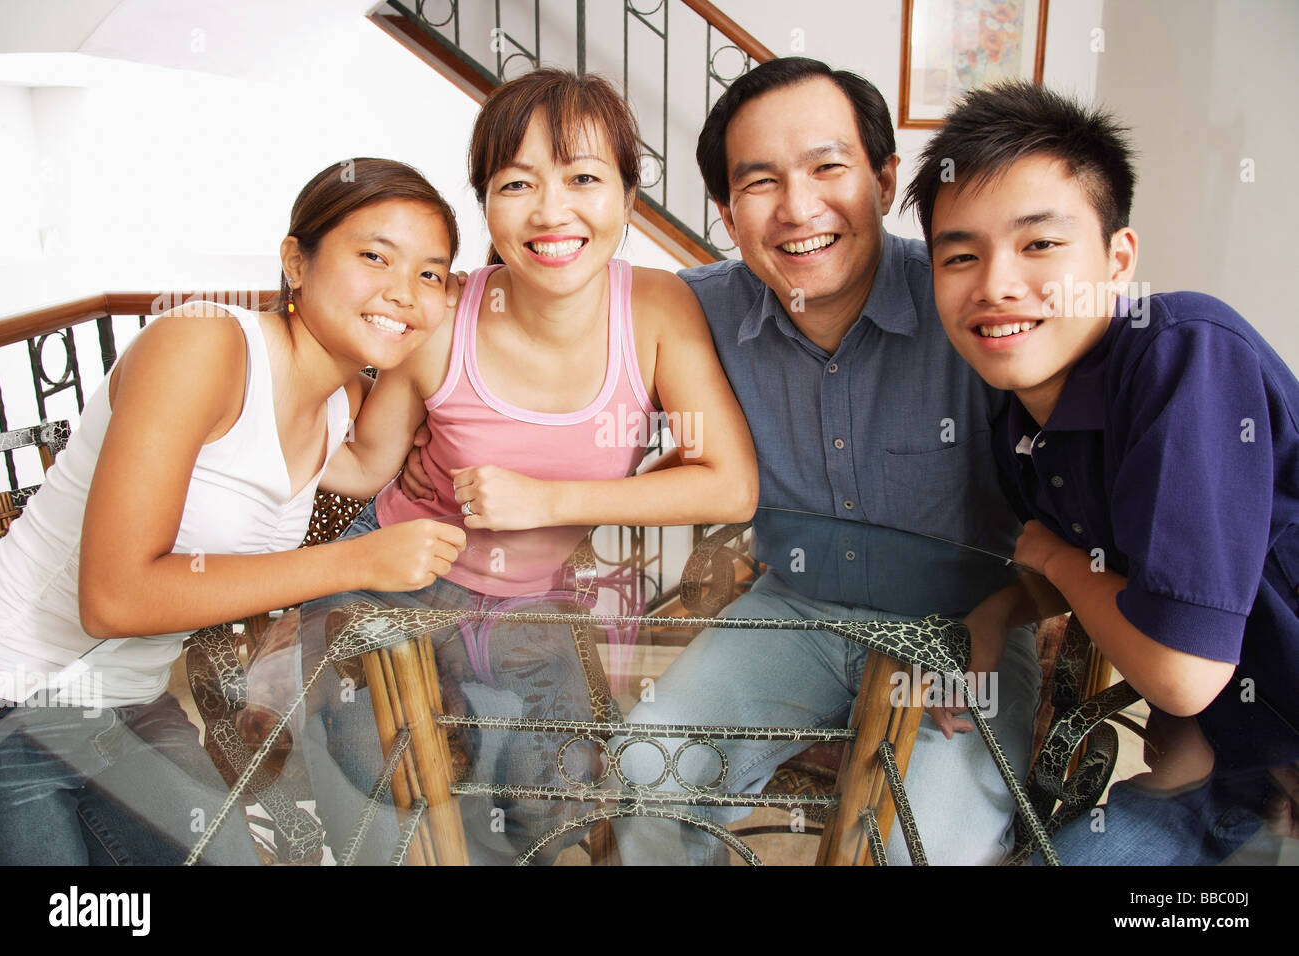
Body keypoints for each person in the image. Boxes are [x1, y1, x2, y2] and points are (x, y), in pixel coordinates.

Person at [301, 68, 758, 865]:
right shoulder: (444, 313)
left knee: (556, 803)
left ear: (627, 199)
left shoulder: (656, 309)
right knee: (386, 784)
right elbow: (364, 464)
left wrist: (545, 499)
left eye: (584, 178)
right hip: (393, 574)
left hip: (534, 600)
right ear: (484, 203)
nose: (552, 212)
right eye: (517, 183)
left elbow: (730, 481)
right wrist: (254, 408)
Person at [594, 56, 1041, 865]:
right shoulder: (696, 312)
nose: (799, 210)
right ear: (729, 214)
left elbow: (1077, 518)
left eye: (828, 167)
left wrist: (1001, 610)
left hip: (962, 624)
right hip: (793, 609)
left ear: (884, 176)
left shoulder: (972, 299)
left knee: (925, 850)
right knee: (648, 768)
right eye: (760, 183)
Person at [0, 157, 468, 865]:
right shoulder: (203, 345)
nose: (403, 290)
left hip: (124, 704)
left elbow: (377, 461)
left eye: (430, 274)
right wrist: (347, 560)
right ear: (295, 262)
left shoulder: (338, 407)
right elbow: (113, 597)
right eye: (375, 257)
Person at [902, 81, 1299, 864]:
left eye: (1039, 244)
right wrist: (997, 613)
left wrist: (1045, 555)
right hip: (1224, 777)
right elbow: (1090, 566)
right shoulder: (1017, 420)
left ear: (1118, 261)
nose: (996, 283)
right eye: (960, 255)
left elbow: (1182, 674)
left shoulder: (1185, 353)